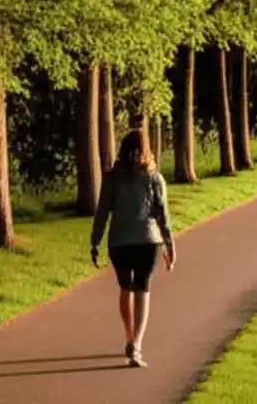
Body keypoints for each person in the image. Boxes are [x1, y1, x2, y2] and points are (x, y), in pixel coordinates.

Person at [90, 129, 176, 368]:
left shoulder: (114, 178)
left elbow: (103, 212)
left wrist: (95, 241)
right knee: (136, 289)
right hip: (143, 240)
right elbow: (162, 215)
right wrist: (170, 244)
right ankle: (134, 342)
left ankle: (134, 342)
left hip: (129, 241)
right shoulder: (152, 178)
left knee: (132, 288)